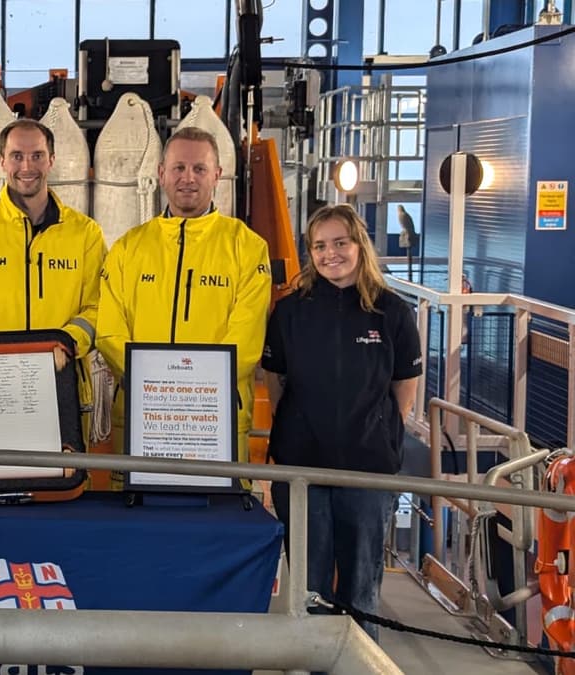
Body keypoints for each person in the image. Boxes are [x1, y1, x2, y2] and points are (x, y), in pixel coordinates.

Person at [262, 203, 421, 640]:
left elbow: (404, 388)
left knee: (361, 589)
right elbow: (277, 381)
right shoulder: (291, 311)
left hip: (367, 471)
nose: (330, 254)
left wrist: (375, 433)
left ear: (359, 245)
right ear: (309, 252)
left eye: (340, 243)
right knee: (309, 590)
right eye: (319, 246)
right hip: (302, 468)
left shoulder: (392, 312)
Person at [97, 126, 272, 465]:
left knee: (212, 515)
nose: (188, 178)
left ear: (217, 175)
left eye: (199, 169)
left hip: (215, 421)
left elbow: (246, 342)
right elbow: (109, 332)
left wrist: (187, 396)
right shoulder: (127, 248)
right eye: (178, 168)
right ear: (161, 174)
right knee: (135, 516)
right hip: (141, 417)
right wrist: (156, 391)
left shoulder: (248, 248)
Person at [0, 118, 106, 409]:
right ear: (2, 162)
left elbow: (98, 306)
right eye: (17, 156)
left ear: (51, 161)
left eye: (37, 156)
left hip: (63, 377)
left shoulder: (85, 233)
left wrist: (66, 343)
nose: (27, 167)